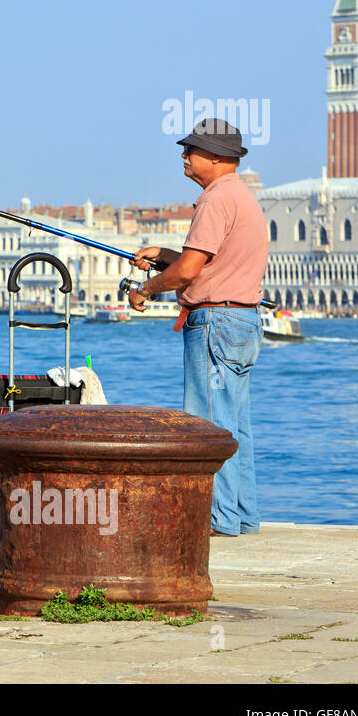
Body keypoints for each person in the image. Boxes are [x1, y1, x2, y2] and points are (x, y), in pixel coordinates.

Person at [127, 119, 269, 538]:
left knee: (207, 426)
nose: (184, 156)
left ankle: (218, 520)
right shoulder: (241, 198)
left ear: (217, 158)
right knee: (234, 426)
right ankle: (241, 515)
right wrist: (162, 254)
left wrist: (146, 290)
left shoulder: (215, 200)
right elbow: (208, 261)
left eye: (192, 150)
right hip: (243, 321)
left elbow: (190, 270)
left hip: (215, 323)